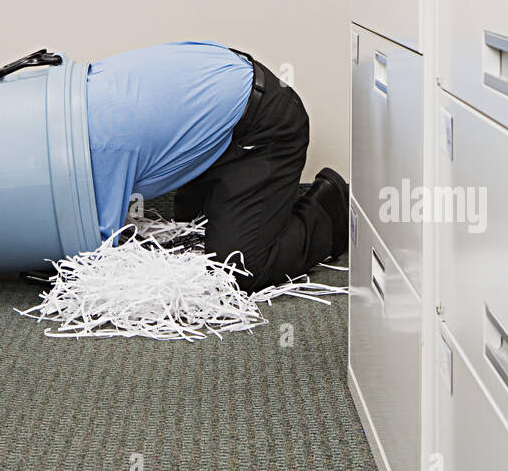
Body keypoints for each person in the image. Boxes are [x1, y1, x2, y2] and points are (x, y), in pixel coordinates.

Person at [86, 40, 348, 292]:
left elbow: (100, 246)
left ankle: (328, 210)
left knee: (239, 266)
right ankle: (262, 210)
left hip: (264, 122)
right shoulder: (75, 104)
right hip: (218, 112)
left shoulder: (101, 149)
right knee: (191, 230)